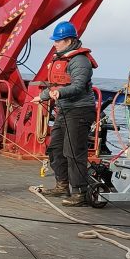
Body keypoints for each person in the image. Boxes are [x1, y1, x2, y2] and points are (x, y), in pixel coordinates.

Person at [38, 21, 98, 207]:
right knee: (55, 148)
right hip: (65, 110)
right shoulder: (61, 58)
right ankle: (62, 185)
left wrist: (59, 93)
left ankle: (80, 192)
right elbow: (58, 86)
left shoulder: (80, 61)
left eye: (58, 40)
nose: (55, 43)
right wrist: (43, 96)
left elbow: (78, 86)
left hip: (79, 111)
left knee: (73, 152)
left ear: (69, 40)